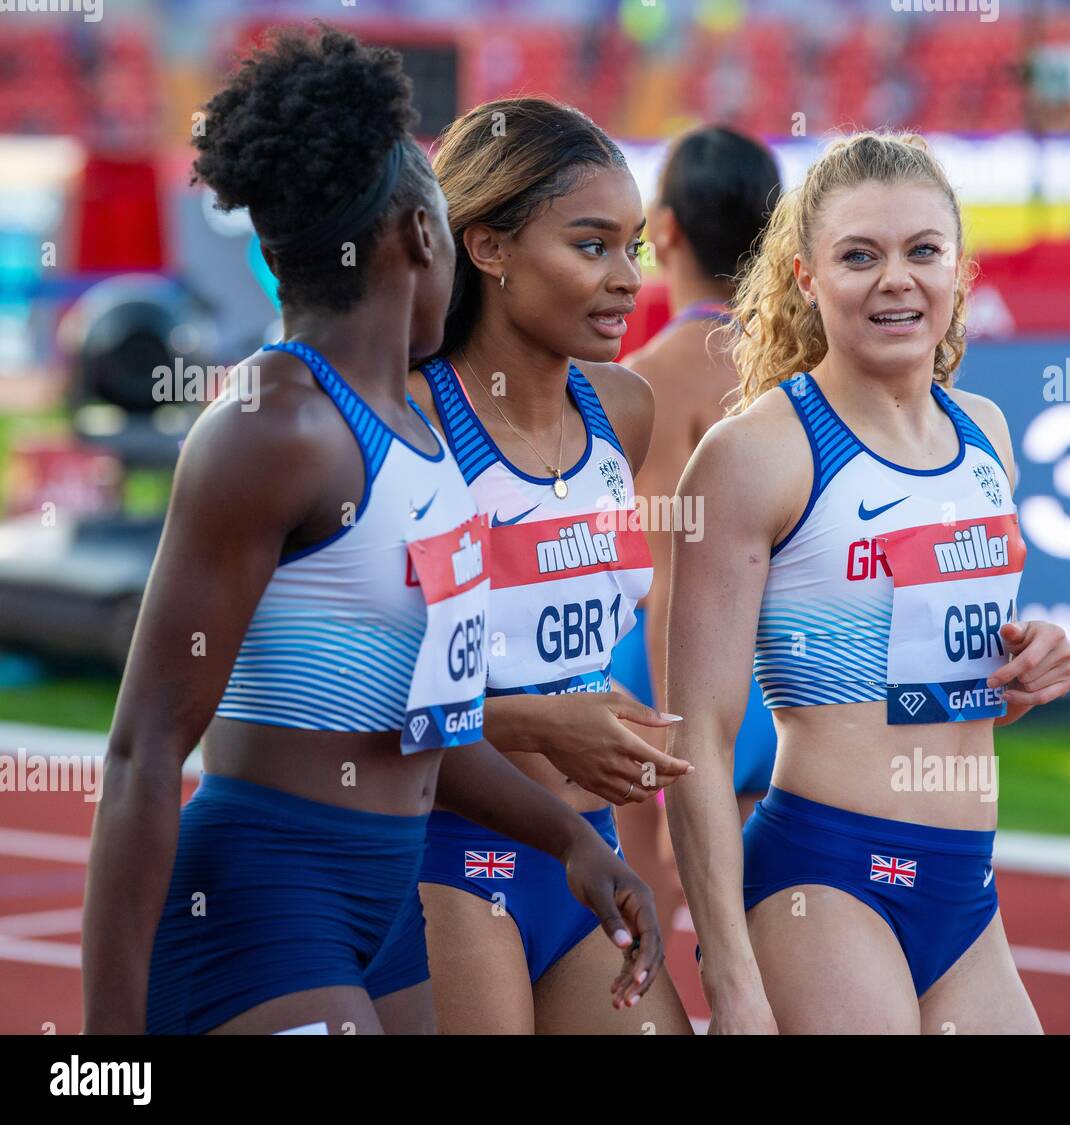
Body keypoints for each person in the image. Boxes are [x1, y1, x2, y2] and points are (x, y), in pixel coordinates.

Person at [81, 28, 663, 1036]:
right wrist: (104, 1053)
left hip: (387, 912)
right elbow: (141, 750)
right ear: (421, 237)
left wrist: (569, 839)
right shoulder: (274, 426)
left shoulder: (418, 434)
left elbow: (420, 727)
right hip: (269, 903)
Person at [664, 130, 1070, 1034]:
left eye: (923, 251)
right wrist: (731, 979)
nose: (897, 278)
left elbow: (934, 668)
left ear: (959, 269)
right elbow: (697, 726)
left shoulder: (988, 437)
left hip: (967, 891)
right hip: (827, 877)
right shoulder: (753, 454)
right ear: (807, 277)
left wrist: (1030, 658)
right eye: (860, 255)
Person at [404, 96, 694, 1034]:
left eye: (635, 248)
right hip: (449, 862)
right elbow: (343, 709)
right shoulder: (408, 428)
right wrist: (539, 719)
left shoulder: (626, 411)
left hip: (589, 862)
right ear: (486, 249)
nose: (625, 280)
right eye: (591, 245)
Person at [611, 125, 783, 920]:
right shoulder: (805, 370)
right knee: (766, 926)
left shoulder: (647, 381)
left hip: (675, 675)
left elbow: (666, 575)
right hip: (788, 664)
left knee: (636, 926)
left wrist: (680, 752)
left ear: (664, 228)